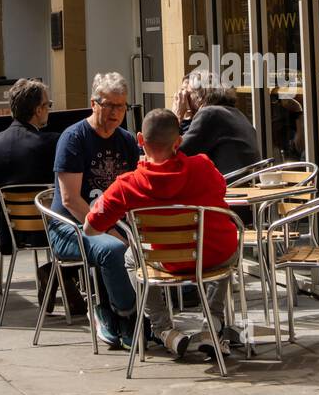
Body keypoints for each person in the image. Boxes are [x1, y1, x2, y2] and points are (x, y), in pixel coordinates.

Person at [84, 107, 238, 358]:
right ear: (178, 141)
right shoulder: (203, 166)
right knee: (232, 244)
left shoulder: (126, 184)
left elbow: (91, 228)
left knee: (132, 258)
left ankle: (164, 330)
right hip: (212, 258)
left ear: (140, 140)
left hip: (167, 263)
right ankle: (213, 323)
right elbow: (220, 191)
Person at [47, 72, 140, 349]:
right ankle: (129, 316)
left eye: (121, 106)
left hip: (113, 224)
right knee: (112, 248)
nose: (114, 112)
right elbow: (70, 200)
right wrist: (110, 229)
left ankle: (128, 314)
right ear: (93, 103)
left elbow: (135, 191)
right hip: (68, 226)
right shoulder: (74, 138)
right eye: (108, 105)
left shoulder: (126, 141)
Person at [0, 78, 62, 310]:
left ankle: (59, 277)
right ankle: (57, 272)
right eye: (48, 105)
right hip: (49, 232)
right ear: (38, 110)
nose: (49, 110)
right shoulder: (52, 143)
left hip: (9, 233)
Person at [179, 70, 260, 175]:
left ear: (199, 95)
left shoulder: (209, 114)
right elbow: (194, 142)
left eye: (186, 93)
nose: (182, 99)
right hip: (244, 180)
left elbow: (176, 153)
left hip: (229, 184)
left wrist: (177, 116)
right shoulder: (233, 112)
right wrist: (187, 118)